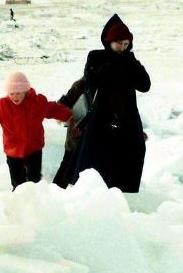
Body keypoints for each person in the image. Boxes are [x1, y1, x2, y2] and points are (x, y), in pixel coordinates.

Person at [57, 14, 151, 192]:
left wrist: (132, 64)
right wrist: (114, 64)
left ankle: (119, 196)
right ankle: (70, 192)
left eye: (126, 44)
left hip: (125, 119)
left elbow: (145, 86)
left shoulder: (130, 61)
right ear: (109, 41)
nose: (122, 48)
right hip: (98, 120)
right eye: (119, 44)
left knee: (127, 160)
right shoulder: (96, 57)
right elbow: (89, 81)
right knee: (88, 161)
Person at [0, 71, 72, 190]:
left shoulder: (37, 103)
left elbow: (53, 109)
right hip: (13, 152)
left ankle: (36, 197)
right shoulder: (2, 106)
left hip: (34, 150)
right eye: (11, 93)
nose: (15, 97)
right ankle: (18, 197)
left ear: (25, 91)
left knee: (34, 181)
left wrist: (70, 117)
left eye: (18, 93)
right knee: (17, 184)